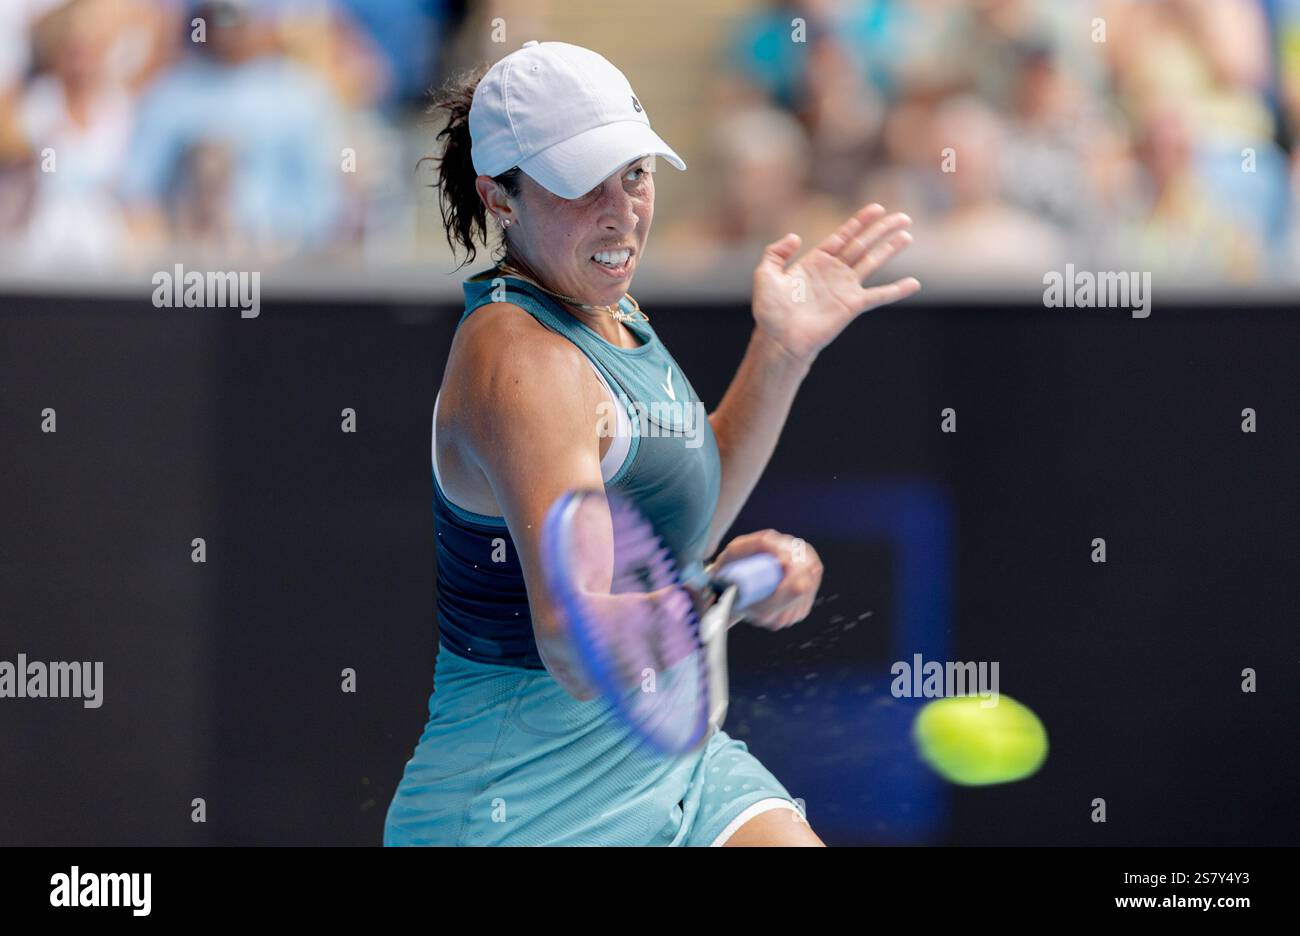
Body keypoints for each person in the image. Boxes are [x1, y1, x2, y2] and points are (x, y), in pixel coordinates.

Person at [384, 39, 919, 847]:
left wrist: (780, 353)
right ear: (500, 196)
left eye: (634, 173)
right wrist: (727, 589)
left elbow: (675, 534)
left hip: (677, 764)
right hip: (522, 807)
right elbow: (571, 638)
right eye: (579, 184)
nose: (621, 209)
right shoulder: (521, 358)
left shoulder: (611, 309)